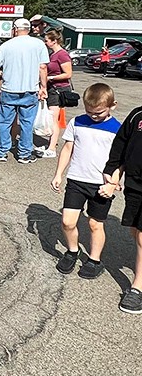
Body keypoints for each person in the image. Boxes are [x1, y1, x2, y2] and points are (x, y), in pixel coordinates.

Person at [50, 83, 120, 279]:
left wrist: (113, 184)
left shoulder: (117, 129)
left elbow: (119, 161)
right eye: (89, 112)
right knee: (67, 221)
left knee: (95, 224)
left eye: (98, 113)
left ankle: (94, 260)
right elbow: (67, 149)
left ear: (112, 105)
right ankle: (72, 251)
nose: (93, 116)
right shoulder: (77, 122)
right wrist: (58, 174)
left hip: (101, 184)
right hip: (76, 180)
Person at [101, 101, 142, 313]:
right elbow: (122, 144)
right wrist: (113, 169)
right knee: (134, 231)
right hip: (135, 184)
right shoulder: (137, 115)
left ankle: (137, 288)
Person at [0, 18, 49, 163]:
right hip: (30, 89)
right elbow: (43, 67)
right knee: (26, 123)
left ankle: (2, 151)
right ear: (28, 29)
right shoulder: (39, 44)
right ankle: (24, 154)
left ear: (15, 29)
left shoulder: (6, 45)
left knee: (5, 122)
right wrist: (43, 87)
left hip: (9, 89)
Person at [35, 30, 73, 159]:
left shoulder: (62, 55)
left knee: (53, 119)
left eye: (46, 40)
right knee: (53, 118)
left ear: (54, 41)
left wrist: (51, 78)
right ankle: (51, 144)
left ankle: (52, 148)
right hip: (53, 89)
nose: (45, 43)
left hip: (59, 89)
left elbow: (68, 74)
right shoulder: (53, 54)